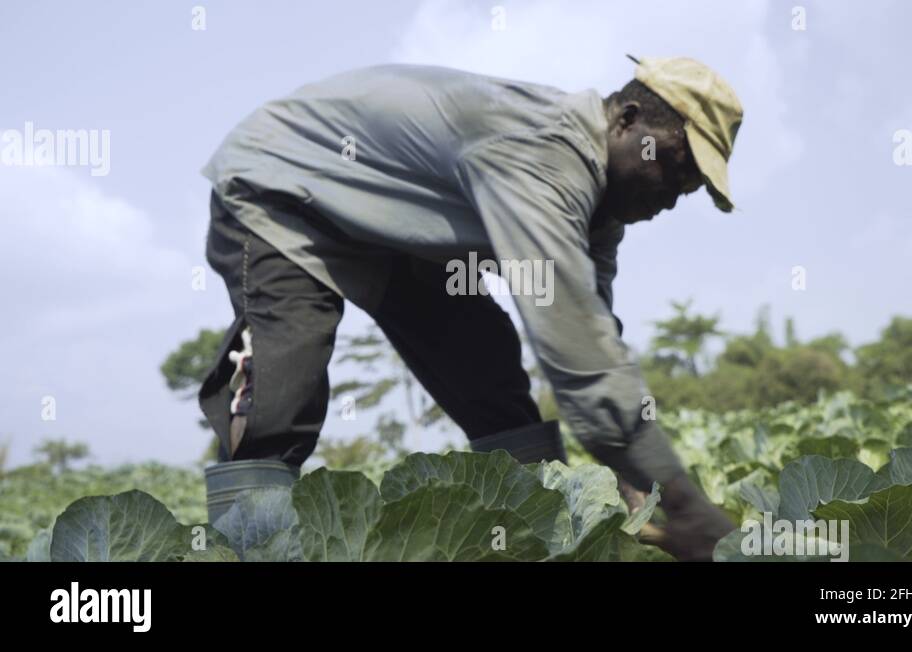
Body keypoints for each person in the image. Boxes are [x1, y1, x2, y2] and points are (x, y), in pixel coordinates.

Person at [198, 55, 743, 560]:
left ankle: (538, 544)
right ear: (625, 121)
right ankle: (246, 549)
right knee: (280, 398)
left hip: (398, 236)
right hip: (283, 187)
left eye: (687, 190)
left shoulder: (603, 213)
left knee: (491, 377)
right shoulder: (544, 157)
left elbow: (594, 332)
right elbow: (583, 365)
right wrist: (688, 508)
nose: (671, 197)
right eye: (672, 168)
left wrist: (637, 484)